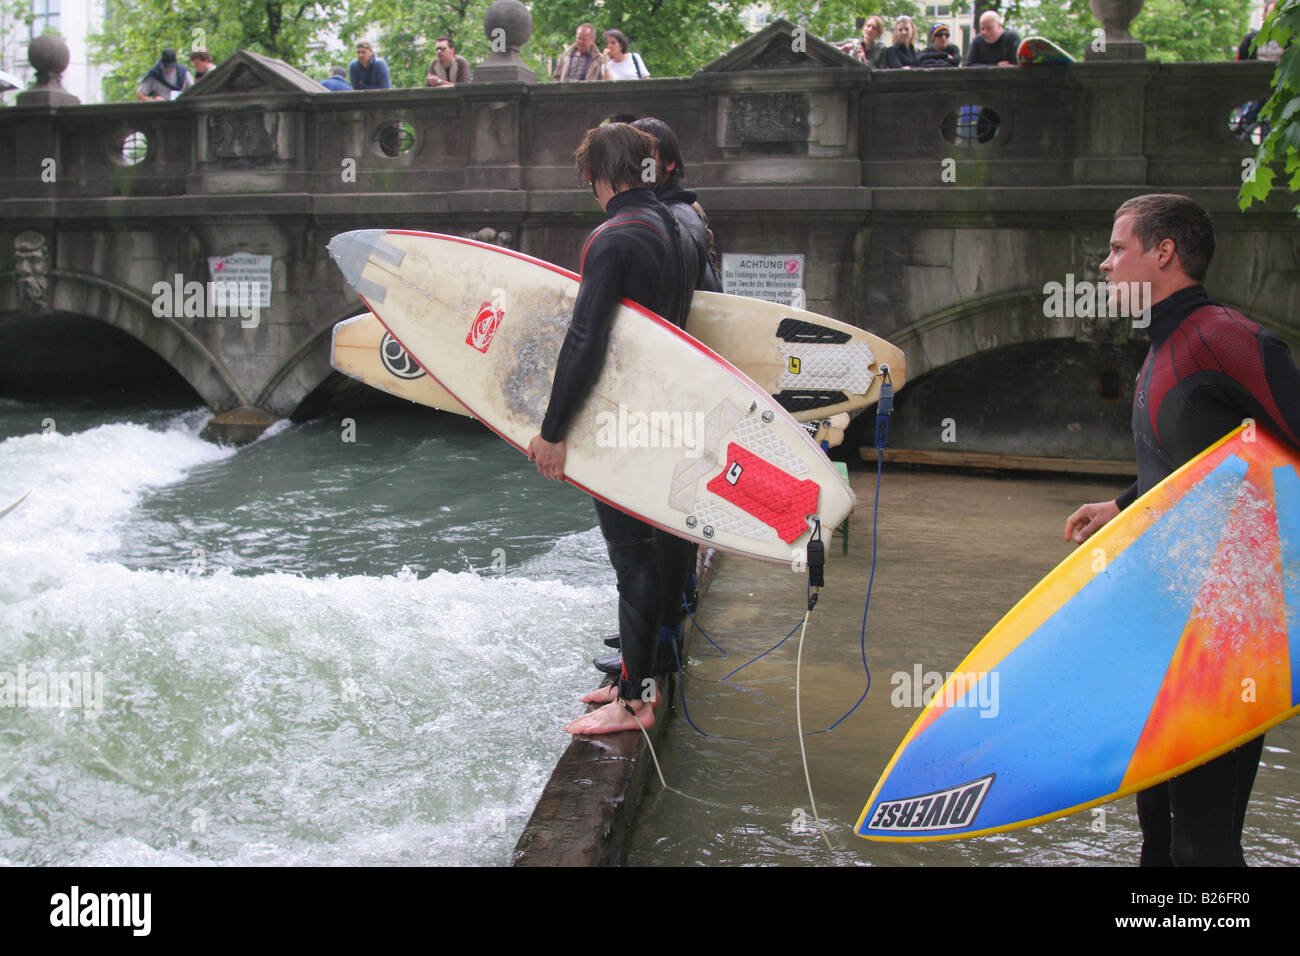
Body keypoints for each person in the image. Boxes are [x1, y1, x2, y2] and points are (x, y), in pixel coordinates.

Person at [1064, 193, 1300, 866]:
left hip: (1228, 632)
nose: (1104, 264)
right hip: (1166, 624)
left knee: (1205, 837)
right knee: (1160, 831)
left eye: (1117, 248)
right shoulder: (1167, 344)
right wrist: (1124, 505)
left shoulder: (1226, 338)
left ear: (1163, 252)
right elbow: (1196, 462)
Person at [526, 123, 693, 735]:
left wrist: (553, 429)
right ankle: (635, 680)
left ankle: (634, 701)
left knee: (631, 557)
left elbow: (585, 337)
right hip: (665, 412)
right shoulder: (679, 227)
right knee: (649, 550)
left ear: (597, 176)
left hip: (621, 419)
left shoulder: (614, 235)